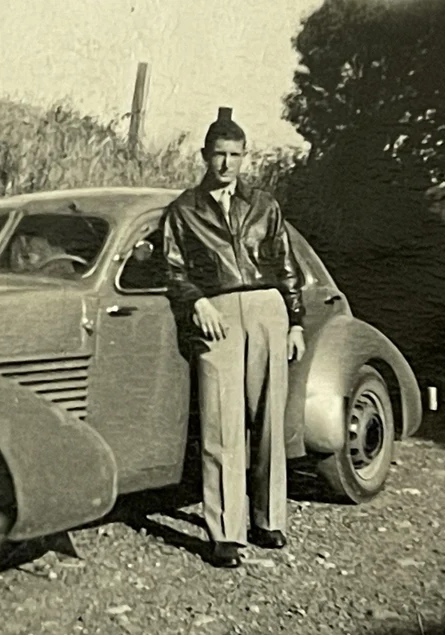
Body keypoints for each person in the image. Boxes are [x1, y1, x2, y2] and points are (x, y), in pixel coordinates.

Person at [161, 106, 306, 569]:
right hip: (217, 313)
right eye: (219, 154)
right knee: (221, 425)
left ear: (245, 157)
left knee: (268, 421)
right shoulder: (184, 209)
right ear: (205, 156)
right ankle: (226, 532)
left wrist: (297, 320)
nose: (226, 164)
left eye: (235, 155)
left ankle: (270, 519)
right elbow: (173, 269)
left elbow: (285, 265)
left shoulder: (264, 205)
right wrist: (196, 301)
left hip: (268, 310)